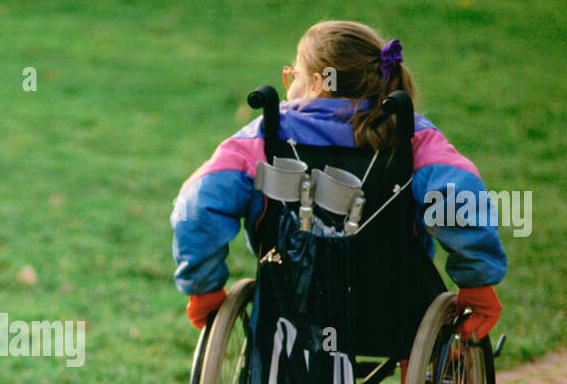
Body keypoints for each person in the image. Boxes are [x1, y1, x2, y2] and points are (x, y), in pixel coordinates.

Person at [172, 20, 506, 340]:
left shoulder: (266, 137)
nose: (290, 88)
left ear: (318, 82)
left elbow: (198, 204)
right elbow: (461, 200)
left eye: (293, 76)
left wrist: (204, 288)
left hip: (289, 300)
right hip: (392, 306)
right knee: (415, 295)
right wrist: (477, 281)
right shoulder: (410, 135)